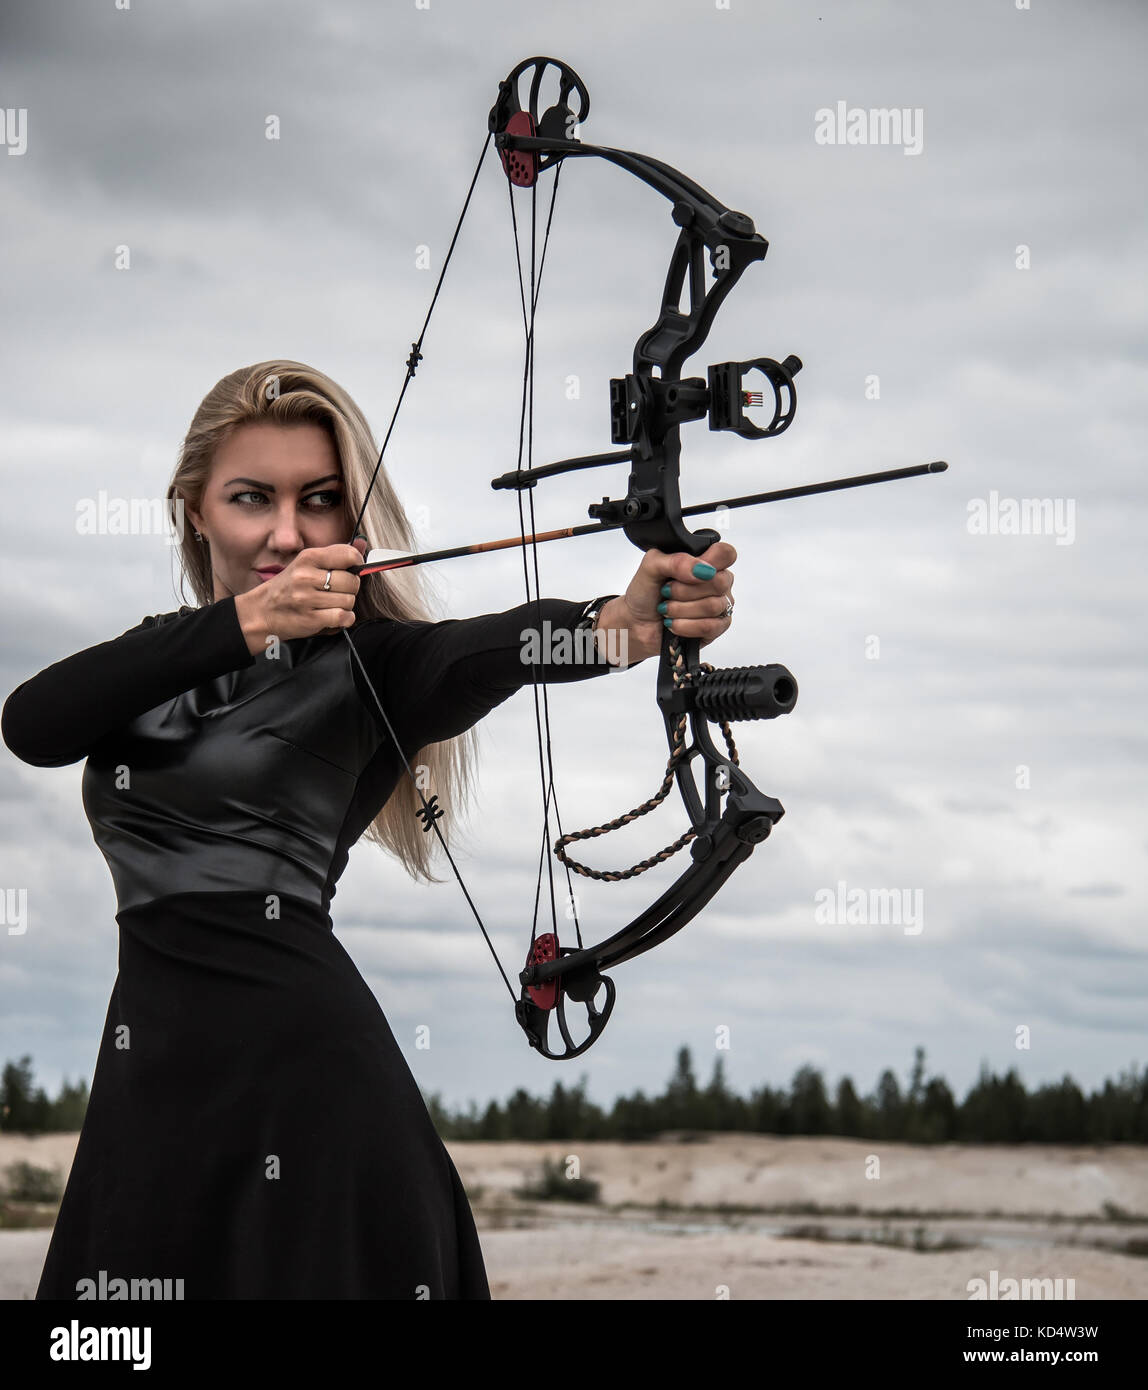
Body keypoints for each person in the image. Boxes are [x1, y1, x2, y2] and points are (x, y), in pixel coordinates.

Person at [1, 360, 736, 1299]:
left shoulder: (374, 667)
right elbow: (33, 724)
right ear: (194, 510)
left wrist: (618, 626)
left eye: (319, 501)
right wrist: (244, 623)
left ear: (352, 521)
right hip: (150, 1093)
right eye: (249, 498)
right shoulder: (153, 661)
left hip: (309, 1086)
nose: (285, 532)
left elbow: (491, 650)